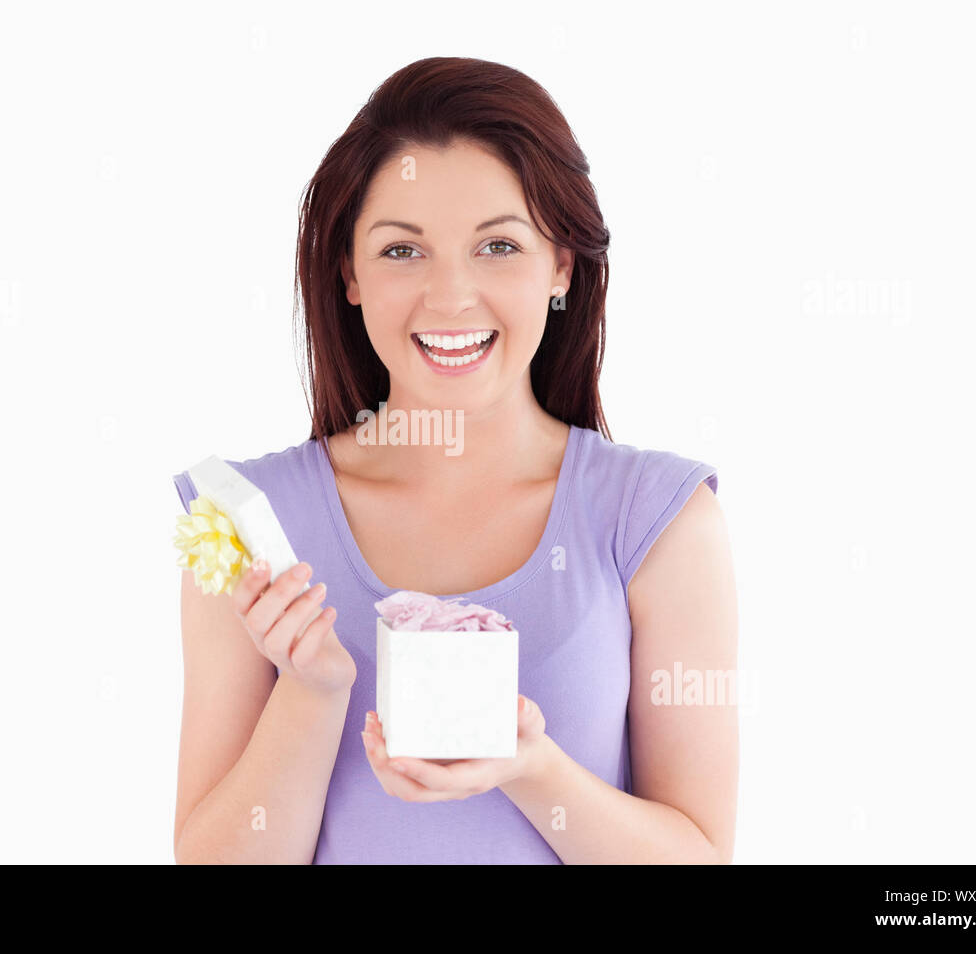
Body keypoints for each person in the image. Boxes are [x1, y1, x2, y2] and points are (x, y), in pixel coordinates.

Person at [172, 56, 738, 864]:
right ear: (349, 273)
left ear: (562, 267)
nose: (450, 298)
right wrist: (311, 690)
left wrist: (528, 767)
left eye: (499, 246)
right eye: (403, 252)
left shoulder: (657, 522)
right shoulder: (246, 532)